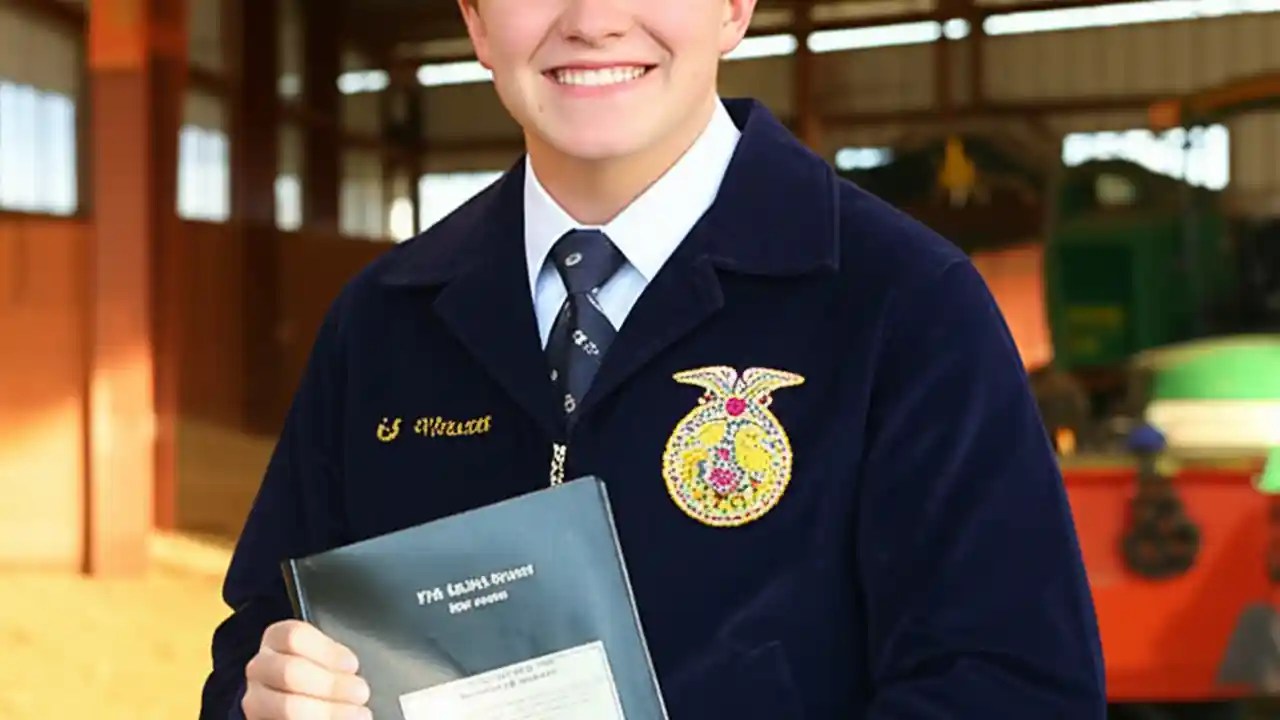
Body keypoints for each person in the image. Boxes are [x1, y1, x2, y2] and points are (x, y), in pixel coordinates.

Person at [200, 0, 1107, 717]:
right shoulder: (384, 324)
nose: (593, 18)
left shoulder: (903, 307)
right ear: (475, 19)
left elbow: (1014, 686)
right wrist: (267, 699)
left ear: (734, 6)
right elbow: (260, 641)